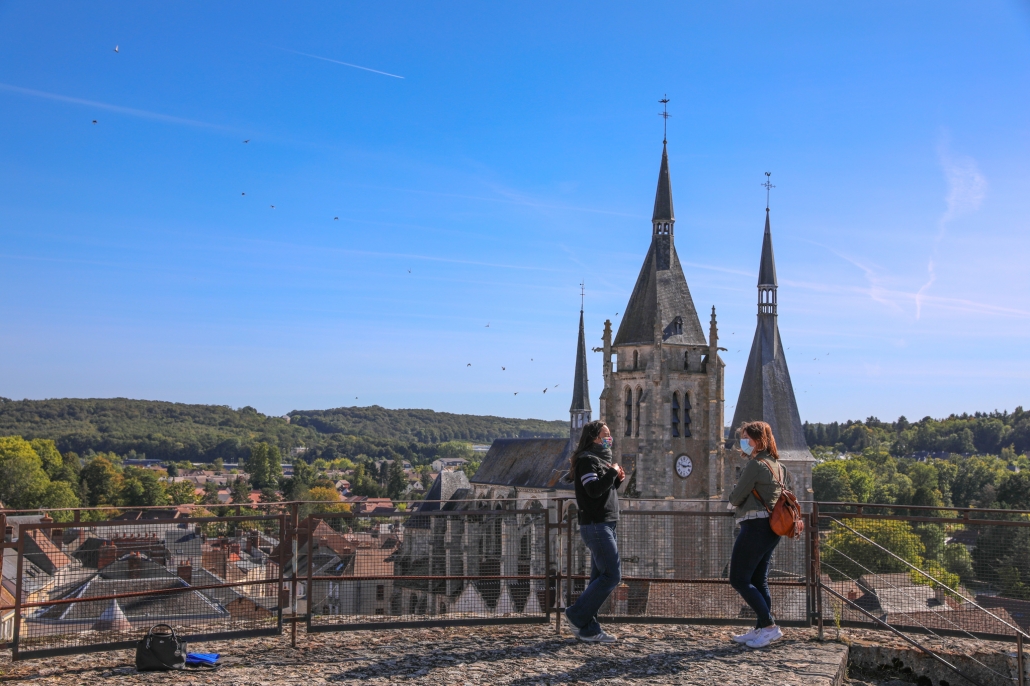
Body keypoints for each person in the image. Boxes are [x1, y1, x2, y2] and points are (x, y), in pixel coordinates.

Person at [727, 420, 789, 649]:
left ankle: (770, 627)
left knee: (738, 579)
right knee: (758, 580)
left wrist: (736, 496)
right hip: (771, 529)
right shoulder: (777, 466)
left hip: (755, 526)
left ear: (758, 441)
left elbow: (735, 497)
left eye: (746, 439)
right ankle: (760, 629)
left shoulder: (756, 465)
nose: (743, 443)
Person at [563, 420, 625, 643]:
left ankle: (589, 629)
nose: (610, 438)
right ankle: (576, 615)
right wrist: (612, 474)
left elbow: (603, 492)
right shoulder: (587, 461)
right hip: (597, 526)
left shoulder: (598, 460)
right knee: (612, 575)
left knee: (598, 578)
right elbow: (592, 490)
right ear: (595, 438)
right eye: (606, 435)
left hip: (606, 523)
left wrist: (615, 480)